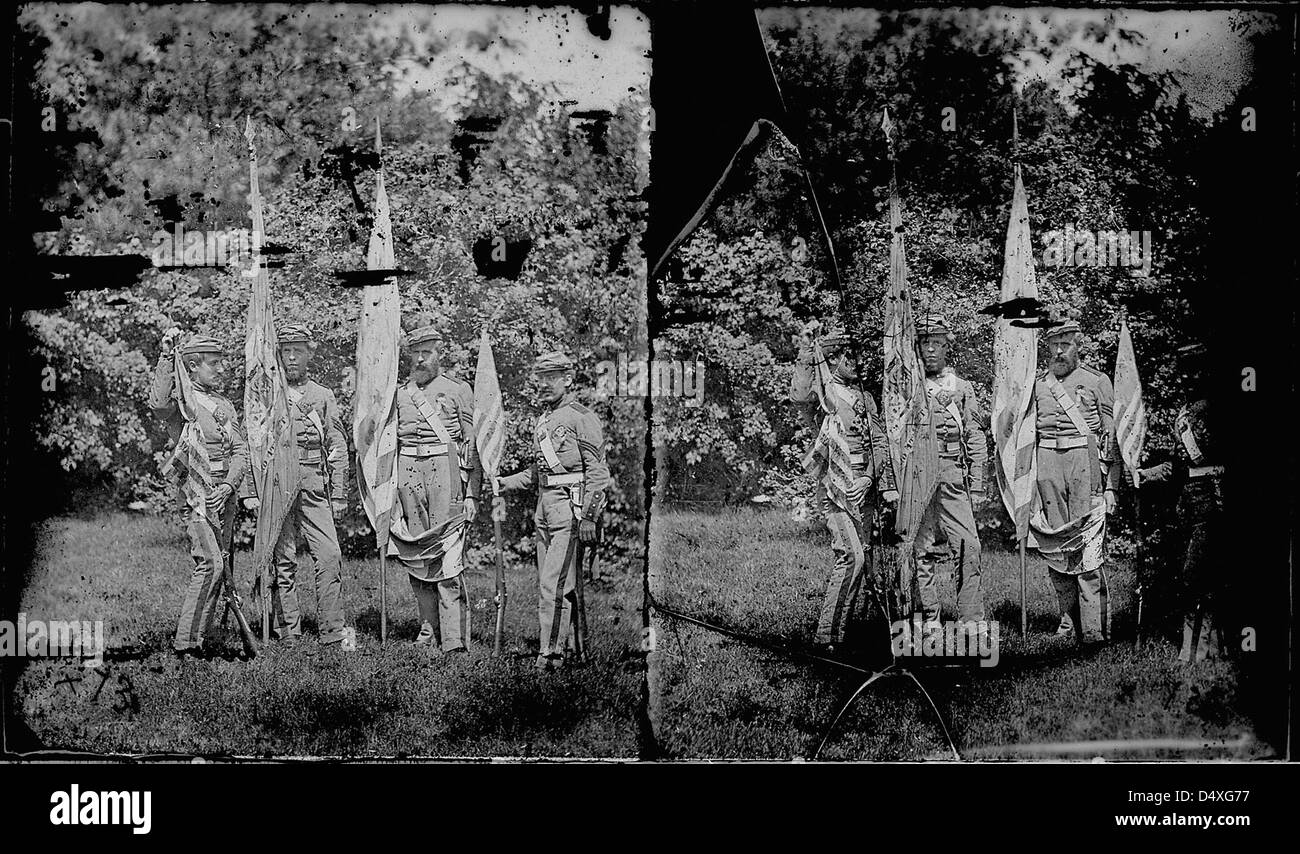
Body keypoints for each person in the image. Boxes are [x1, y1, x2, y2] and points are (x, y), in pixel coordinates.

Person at [240, 323, 352, 647]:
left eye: (298, 351)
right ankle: (289, 633)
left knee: (330, 556)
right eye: (286, 351)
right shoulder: (268, 397)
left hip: (315, 486)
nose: (291, 358)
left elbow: (338, 446)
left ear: (309, 354)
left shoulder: (323, 396)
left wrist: (341, 493)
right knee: (284, 561)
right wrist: (250, 490)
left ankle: (332, 633)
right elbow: (253, 443)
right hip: (279, 487)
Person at [498, 352, 612, 670]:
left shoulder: (582, 416)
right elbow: (536, 475)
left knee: (554, 586)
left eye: (553, 377)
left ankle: (550, 655)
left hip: (570, 508)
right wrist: (502, 482)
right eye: (541, 378)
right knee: (556, 584)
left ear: (568, 379)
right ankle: (568, 648)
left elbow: (599, 473)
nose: (545, 384)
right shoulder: (543, 421)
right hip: (544, 509)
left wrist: (590, 515)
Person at [790, 325, 897, 651]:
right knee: (851, 557)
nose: (856, 363)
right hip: (834, 488)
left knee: (862, 558)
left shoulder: (865, 397)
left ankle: (842, 637)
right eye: (849, 356)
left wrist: (870, 478)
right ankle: (826, 639)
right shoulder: (824, 395)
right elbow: (798, 394)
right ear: (834, 359)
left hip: (861, 487)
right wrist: (807, 353)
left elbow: (880, 443)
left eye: (859, 357)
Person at [148, 329, 250, 656]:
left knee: (220, 567)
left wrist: (228, 485)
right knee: (210, 563)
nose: (219, 370)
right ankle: (185, 645)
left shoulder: (223, 403)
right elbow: (158, 403)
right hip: (197, 494)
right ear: (192, 367)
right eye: (213, 364)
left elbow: (239, 450)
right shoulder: (182, 405)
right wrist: (167, 355)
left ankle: (197, 641)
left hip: (223, 494)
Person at [389, 324, 481, 654]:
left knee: (448, 554)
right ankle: (428, 628)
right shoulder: (399, 393)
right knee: (417, 553)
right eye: (415, 353)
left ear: (439, 353)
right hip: (409, 474)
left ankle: (453, 637)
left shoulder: (458, 390)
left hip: (446, 472)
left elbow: (473, 445)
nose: (421, 359)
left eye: (427, 352)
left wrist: (472, 493)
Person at [1028, 317, 1120, 645]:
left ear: (1077, 344)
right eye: (1054, 345)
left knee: (1088, 547)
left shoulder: (1097, 381)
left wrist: (1111, 486)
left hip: (1085, 462)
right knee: (1057, 546)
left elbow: (1111, 438)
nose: (1060, 351)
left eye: (1066, 344)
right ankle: (1068, 625)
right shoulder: (1037, 385)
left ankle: (1095, 630)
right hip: (1048, 465)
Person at [1136, 343, 1225, 662]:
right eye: (1184, 370)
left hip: (1214, 503)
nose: (1187, 376)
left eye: (1194, 369)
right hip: (1187, 506)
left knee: (1198, 577)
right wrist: (1143, 474)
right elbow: (1177, 466)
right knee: (1195, 578)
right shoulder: (1186, 412)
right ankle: (1196, 647)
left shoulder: (1217, 409)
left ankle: (1203, 647)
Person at [911, 313, 988, 631]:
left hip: (953, 477)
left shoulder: (962, 387)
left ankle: (971, 617)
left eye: (937, 343)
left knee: (969, 544)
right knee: (921, 548)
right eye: (925, 343)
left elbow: (975, 435)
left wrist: (979, 482)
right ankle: (929, 616)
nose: (930, 350)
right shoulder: (910, 387)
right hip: (918, 478)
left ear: (947, 348)